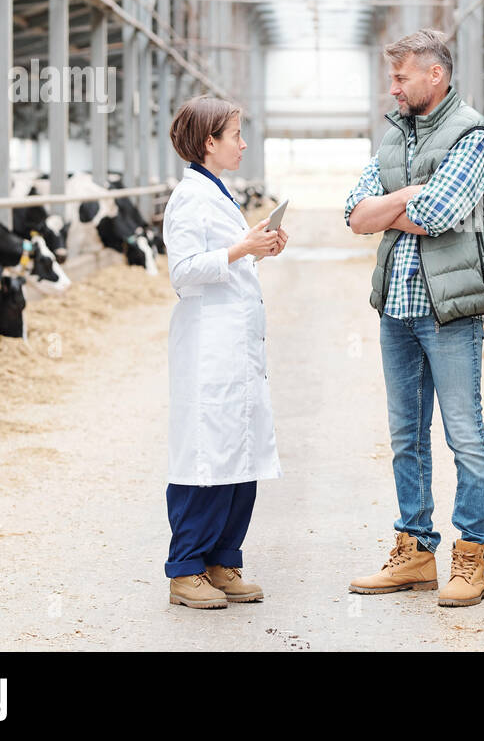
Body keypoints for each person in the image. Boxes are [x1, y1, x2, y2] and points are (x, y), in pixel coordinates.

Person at [344, 29, 484, 608]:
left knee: (464, 434)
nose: (393, 88)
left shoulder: (473, 134)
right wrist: (409, 193)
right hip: (397, 308)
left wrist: (393, 206)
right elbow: (354, 214)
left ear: (434, 75)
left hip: (450, 312)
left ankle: (471, 554)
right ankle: (415, 551)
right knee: (405, 438)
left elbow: (439, 215)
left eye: (401, 77)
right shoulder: (394, 136)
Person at [162, 95, 287, 609]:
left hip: (237, 349)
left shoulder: (219, 192)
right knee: (204, 456)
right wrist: (241, 249)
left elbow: (228, 261)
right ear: (209, 143)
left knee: (242, 453)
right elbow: (183, 271)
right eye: (235, 135)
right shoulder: (188, 198)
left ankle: (223, 561)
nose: (242, 143)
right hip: (209, 350)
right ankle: (186, 569)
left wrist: (260, 246)